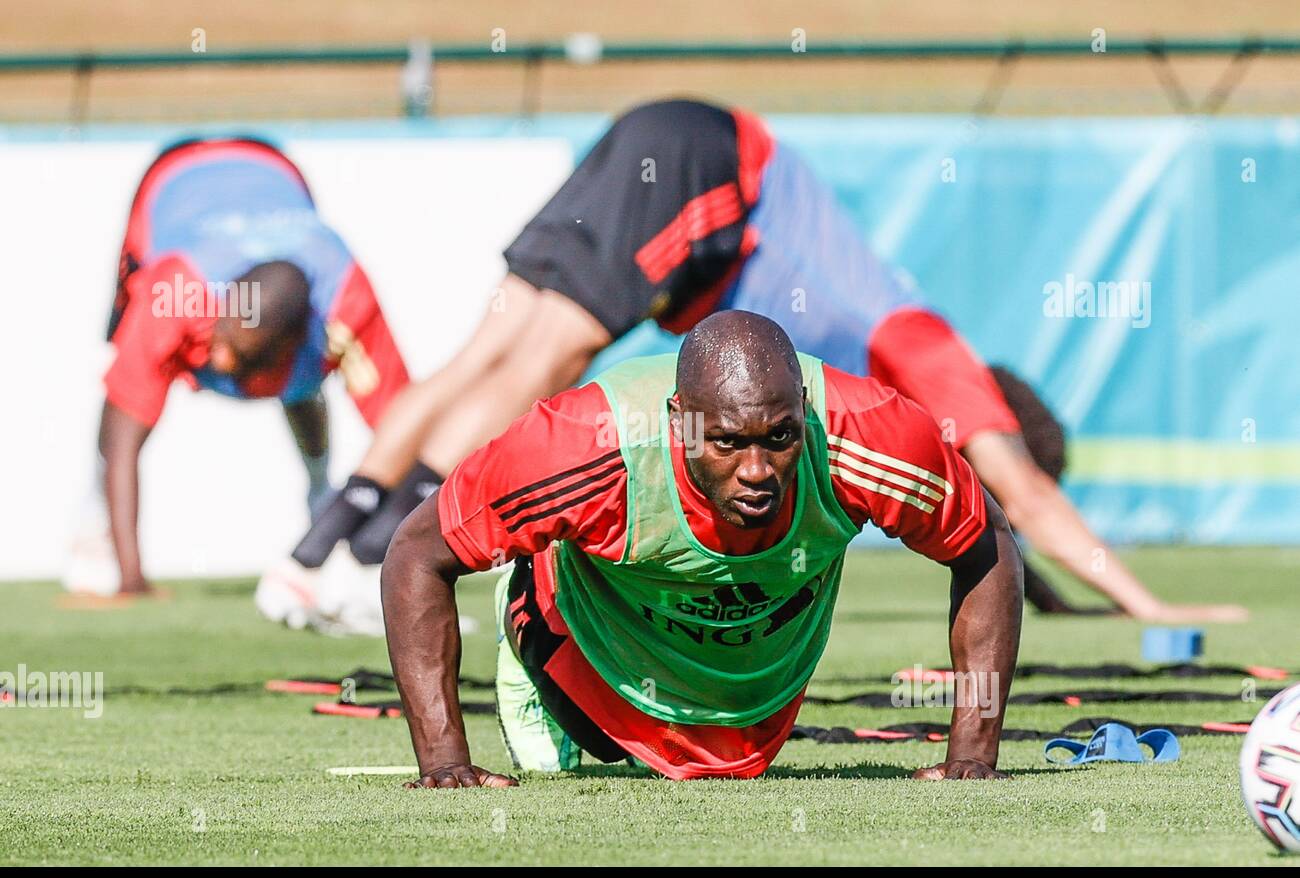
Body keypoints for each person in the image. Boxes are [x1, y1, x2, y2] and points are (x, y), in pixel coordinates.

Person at [266, 99, 1245, 627]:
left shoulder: (883, 373)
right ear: (985, 418)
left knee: (491, 348)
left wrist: (1049, 597)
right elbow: (1016, 498)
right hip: (713, 171)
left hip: (675, 144)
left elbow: (987, 533)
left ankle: (324, 548)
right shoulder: (927, 349)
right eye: (986, 446)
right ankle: (377, 552)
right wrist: (1149, 602)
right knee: (552, 352)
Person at [381, 311, 1024, 783]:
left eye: (779, 437)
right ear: (678, 416)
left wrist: (971, 755)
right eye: (726, 442)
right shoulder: (583, 445)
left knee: (732, 772)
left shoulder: (869, 435)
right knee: (597, 760)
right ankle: (526, 630)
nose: (756, 470)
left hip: (754, 691)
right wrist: (443, 761)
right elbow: (416, 555)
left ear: (804, 409)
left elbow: (986, 544)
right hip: (592, 653)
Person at [69, 136, 409, 598]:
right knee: (124, 390)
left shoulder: (344, 293)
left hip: (278, 174)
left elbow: (405, 424)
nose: (222, 359)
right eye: (223, 340)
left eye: (240, 354)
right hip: (168, 179)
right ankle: (97, 526)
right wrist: (132, 579)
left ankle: (318, 494)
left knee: (304, 382)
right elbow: (124, 431)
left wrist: (407, 550)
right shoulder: (173, 292)